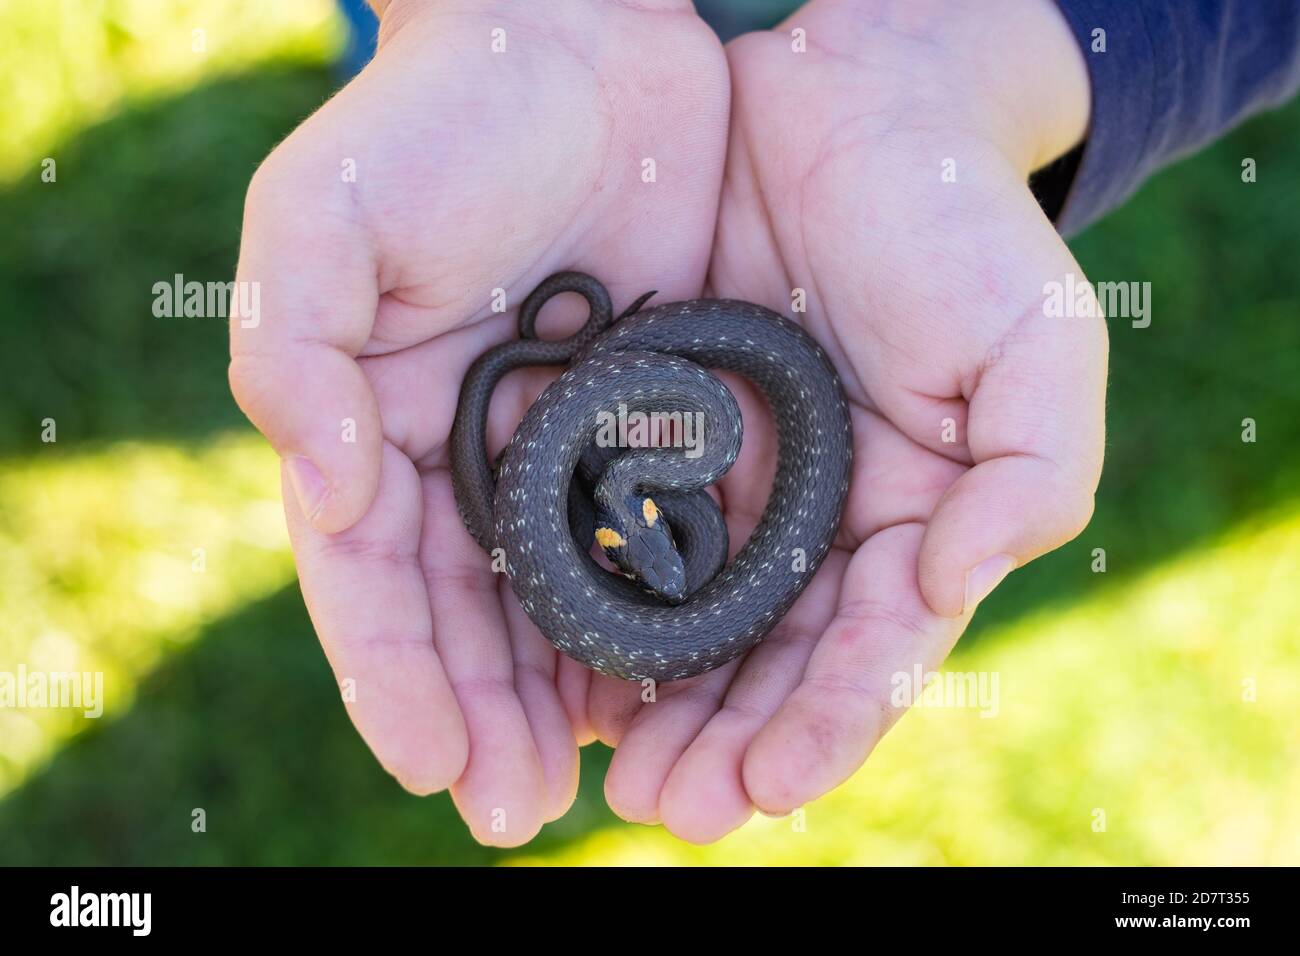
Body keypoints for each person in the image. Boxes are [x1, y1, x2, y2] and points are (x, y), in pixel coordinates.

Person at [229, 0, 1300, 846]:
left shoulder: (665, 463)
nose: (654, 570)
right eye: (642, 558)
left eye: (624, 559)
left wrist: (952, 59)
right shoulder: (660, 461)